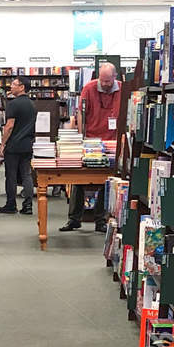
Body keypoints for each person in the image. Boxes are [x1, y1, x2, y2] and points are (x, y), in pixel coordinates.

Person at [61, 61, 123, 232]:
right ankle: (74, 218)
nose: (104, 84)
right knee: (79, 179)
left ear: (115, 77)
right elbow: (81, 113)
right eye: (102, 80)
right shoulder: (89, 88)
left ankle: (101, 220)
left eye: (108, 81)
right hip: (90, 141)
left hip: (113, 142)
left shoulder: (123, 89)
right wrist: (82, 136)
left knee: (106, 182)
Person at [0, 76, 37, 215]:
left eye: (14, 84)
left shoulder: (13, 104)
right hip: (27, 144)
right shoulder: (32, 105)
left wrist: (2, 144)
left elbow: (9, 126)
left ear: (22, 87)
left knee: (11, 175)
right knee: (27, 175)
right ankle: (28, 205)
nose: (11, 87)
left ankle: (11, 204)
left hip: (14, 146)